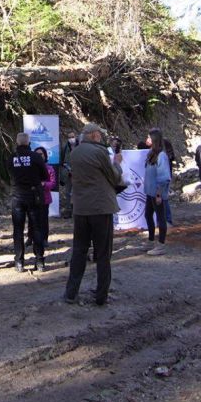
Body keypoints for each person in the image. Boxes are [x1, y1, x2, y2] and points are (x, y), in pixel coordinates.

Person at [64, 122, 124, 306]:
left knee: (79, 250)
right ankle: (101, 295)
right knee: (103, 253)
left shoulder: (74, 153)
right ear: (94, 135)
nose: (101, 137)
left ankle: (71, 292)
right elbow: (114, 177)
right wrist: (117, 164)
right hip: (100, 207)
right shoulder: (100, 153)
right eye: (99, 134)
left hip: (81, 207)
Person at [9, 132, 50, 272]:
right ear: (29, 142)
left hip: (17, 196)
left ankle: (19, 262)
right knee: (37, 228)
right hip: (34, 196)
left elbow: (9, 173)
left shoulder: (11, 157)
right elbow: (45, 175)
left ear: (17, 142)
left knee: (18, 230)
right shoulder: (36, 157)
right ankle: (39, 261)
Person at [143, 128, 172, 256]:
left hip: (157, 193)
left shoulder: (162, 156)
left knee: (161, 218)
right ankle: (150, 240)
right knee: (148, 215)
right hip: (150, 192)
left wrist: (159, 193)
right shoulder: (151, 153)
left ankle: (161, 245)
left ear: (154, 139)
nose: (147, 140)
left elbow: (164, 176)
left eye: (149, 138)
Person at [59, 132, 79, 218]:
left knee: (78, 192)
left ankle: (77, 211)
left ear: (76, 136)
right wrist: (67, 169)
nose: (71, 138)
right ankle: (68, 211)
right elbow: (62, 161)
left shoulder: (80, 146)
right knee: (67, 193)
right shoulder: (65, 147)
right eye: (69, 137)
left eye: (73, 137)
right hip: (68, 174)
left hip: (79, 174)